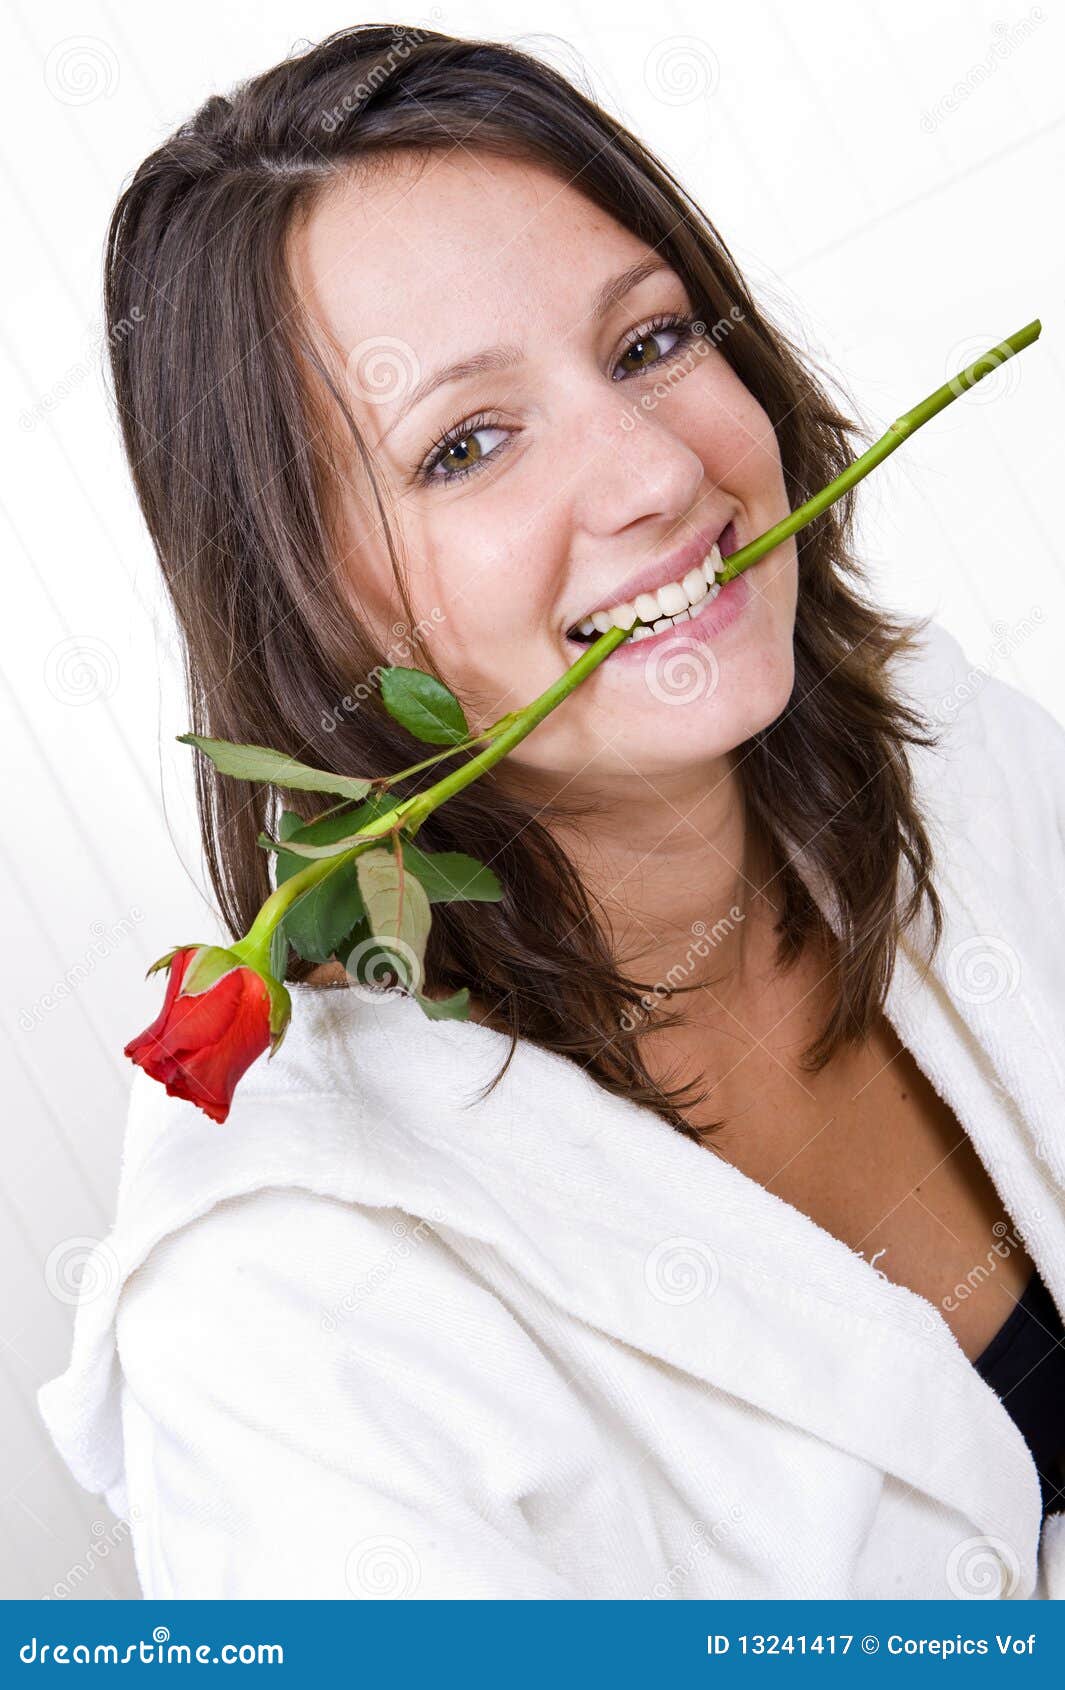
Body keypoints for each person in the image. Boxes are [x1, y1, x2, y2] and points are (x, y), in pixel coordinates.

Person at [38, 24, 1065, 1599]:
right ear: (311, 608)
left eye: (649, 342)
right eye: (465, 445)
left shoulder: (947, 747)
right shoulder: (284, 1303)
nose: (655, 470)